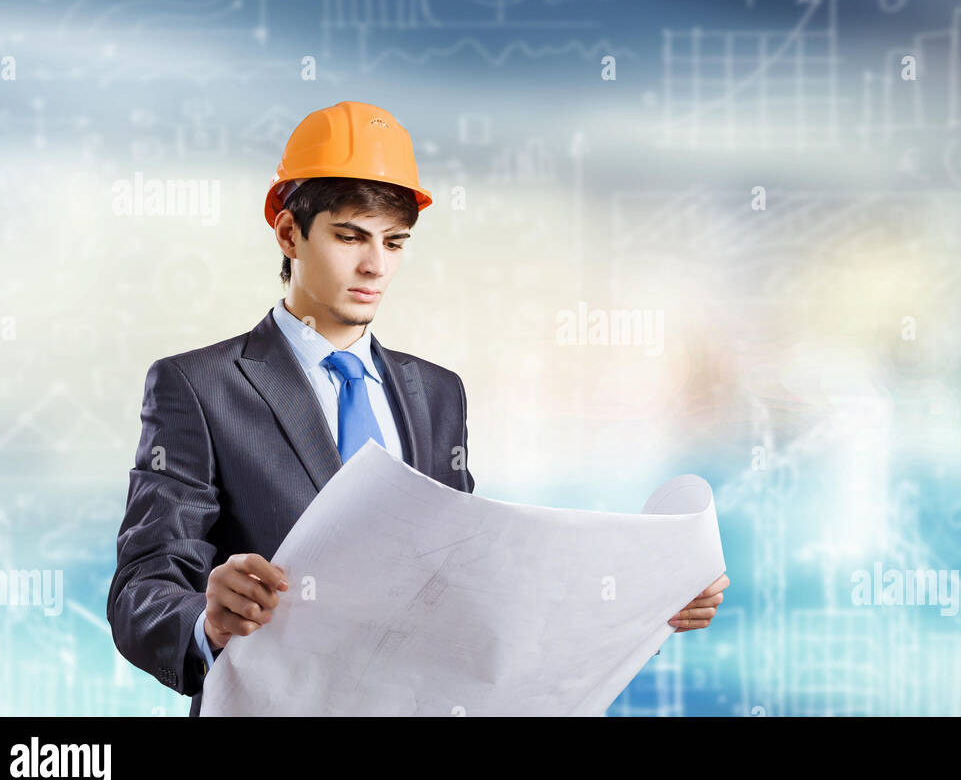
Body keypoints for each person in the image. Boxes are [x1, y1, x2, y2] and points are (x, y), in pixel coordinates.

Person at [107, 100, 727, 717]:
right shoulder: (198, 386)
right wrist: (207, 622)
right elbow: (142, 585)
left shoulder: (437, 395)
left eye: (394, 241)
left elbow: (472, 584)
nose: (375, 265)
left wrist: (643, 604)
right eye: (349, 236)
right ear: (289, 231)